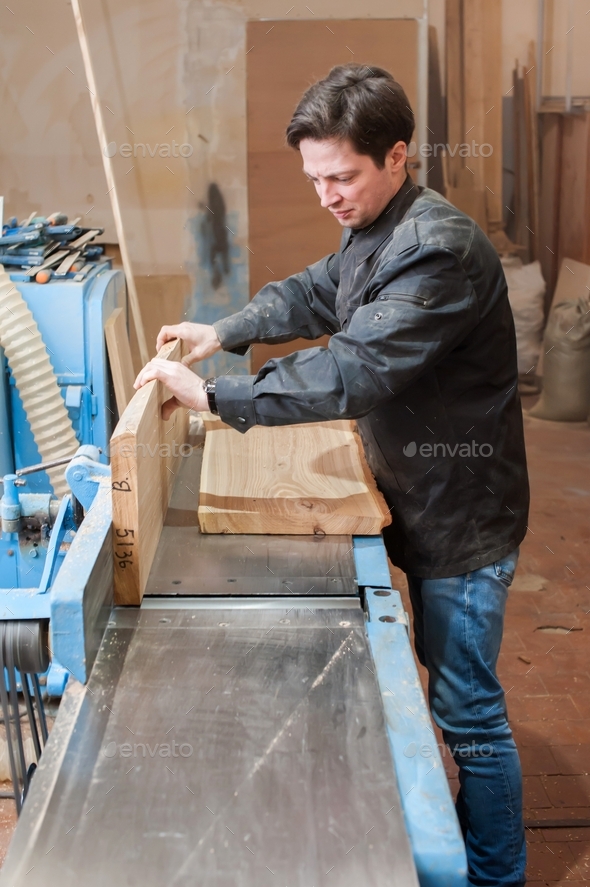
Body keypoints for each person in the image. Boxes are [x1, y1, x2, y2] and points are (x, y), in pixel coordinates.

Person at [135, 64, 529, 887]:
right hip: (413, 490)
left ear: (398, 155)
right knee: (445, 690)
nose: (328, 196)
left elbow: (351, 371)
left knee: (468, 710)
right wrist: (226, 330)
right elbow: (321, 293)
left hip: (461, 517)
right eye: (315, 179)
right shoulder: (374, 226)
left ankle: (497, 876)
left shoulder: (439, 252)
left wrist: (212, 395)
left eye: (342, 176)